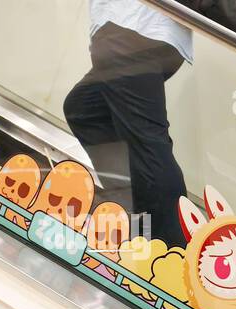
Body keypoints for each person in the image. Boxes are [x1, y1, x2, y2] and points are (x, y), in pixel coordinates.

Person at [64, 0, 192, 248]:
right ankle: (133, 213)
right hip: (147, 31)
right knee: (84, 109)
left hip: (132, 27)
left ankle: (172, 252)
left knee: (149, 144)